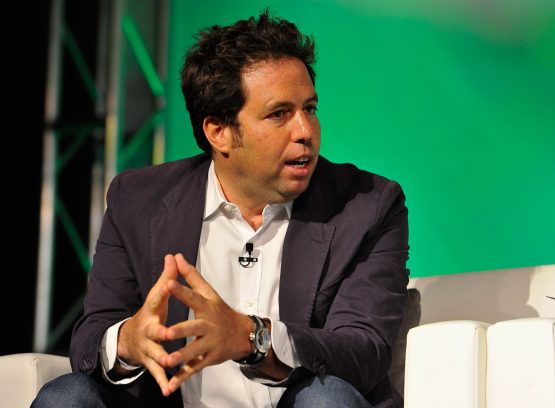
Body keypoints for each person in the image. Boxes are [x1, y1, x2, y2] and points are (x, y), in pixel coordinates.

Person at [32, 10, 409, 408]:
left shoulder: (366, 205)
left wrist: (252, 338)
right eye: (279, 114)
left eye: (310, 109)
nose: (305, 131)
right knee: (66, 397)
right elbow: (90, 339)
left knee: (327, 399)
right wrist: (128, 340)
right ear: (219, 132)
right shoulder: (138, 200)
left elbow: (363, 351)